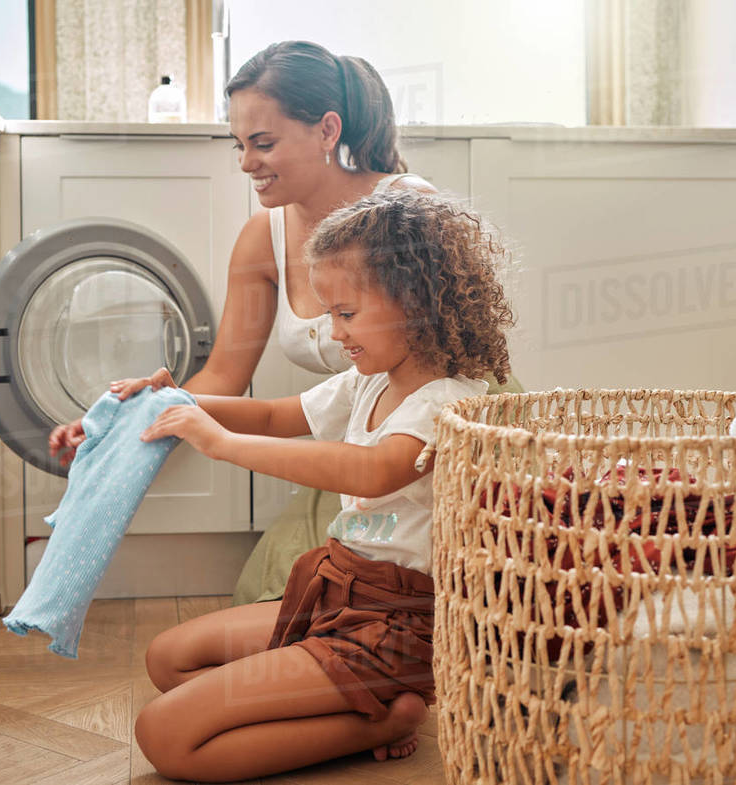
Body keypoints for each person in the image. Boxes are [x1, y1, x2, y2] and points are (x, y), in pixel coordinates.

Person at [127, 190, 514, 781]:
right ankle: (357, 711)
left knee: (164, 736)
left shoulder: (452, 401)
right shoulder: (369, 380)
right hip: (338, 595)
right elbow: (276, 416)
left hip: (397, 627)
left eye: (346, 314)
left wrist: (218, 443)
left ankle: (385, 717)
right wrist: (179, 398)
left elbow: (374, 470)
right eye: (330, 314)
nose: (334, 333)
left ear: (415, 305)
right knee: (168, 661)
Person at [47, 40, 445, 606]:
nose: (245, 163)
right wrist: (130, 414)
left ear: (327, 130)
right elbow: (225, 377)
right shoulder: (264, 239)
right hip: (359, 449)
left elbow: (464, 343)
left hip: (444, 438)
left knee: (377, 598)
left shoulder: (403, 208)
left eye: (263, 143)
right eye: (239, 145)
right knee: (268, 601)